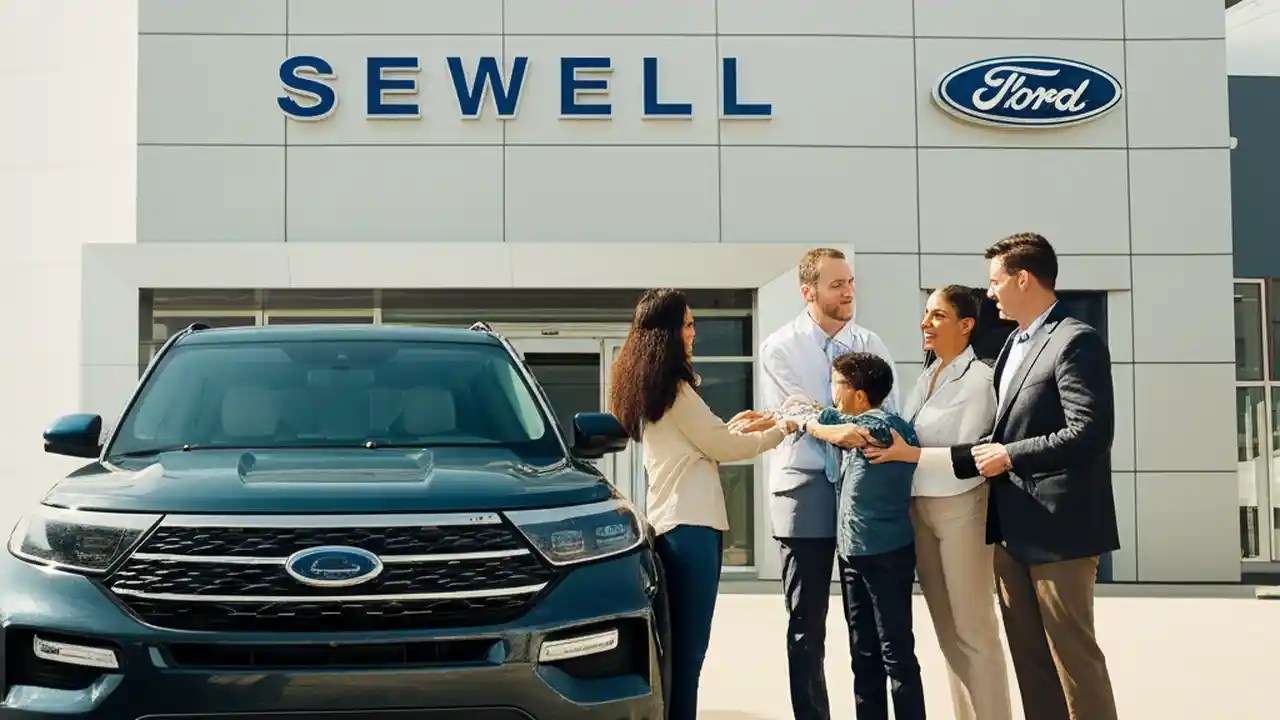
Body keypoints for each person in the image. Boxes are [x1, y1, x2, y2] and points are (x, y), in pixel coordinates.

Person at [608, 287, 797, 720]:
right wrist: (782, 429)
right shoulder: (675, 388)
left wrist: (742, 425)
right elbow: (720, 446)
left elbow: (702, 441)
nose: (695, 332)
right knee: (689, 654)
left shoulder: (654, 387)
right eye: (689, 324)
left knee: (676, 653)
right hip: (691, 528)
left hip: (672, 522)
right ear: (669, 332)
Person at [957, 233, 1120, 720]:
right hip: (1012, 532)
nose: (990, 294)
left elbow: (1090, 432)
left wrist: (1010, 455)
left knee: (1074, 660)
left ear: (1023, 278)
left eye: (995, 282)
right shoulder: (1013, 344)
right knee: (1030, 662)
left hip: (1060, 533)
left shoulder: (1075, 341)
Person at [745, 248, 899, 720]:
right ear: (807, 292)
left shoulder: (872, 343)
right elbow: (796, 413)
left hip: (860, 494)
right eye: (837, 285)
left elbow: (888, 416)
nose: (849, 292)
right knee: (806, 626)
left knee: (866, 626)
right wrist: (826, 420)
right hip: (804, 491)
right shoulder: (780, 347)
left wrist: (819, 417)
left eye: (851, 282)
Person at [863, 285, 1014, 720]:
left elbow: (968, 455)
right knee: (948, 633)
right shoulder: (927, 376)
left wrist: (907, 455)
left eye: (937, 316)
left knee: (974, 630)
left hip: (961, 510)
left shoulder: (981, 380)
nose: (925, 324)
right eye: (926, 315)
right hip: (921, 511)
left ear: (966, 325)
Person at [802, 352, 926, 720]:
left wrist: (810, 424)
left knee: (895, 654)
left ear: (859, 393)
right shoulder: (855, 421)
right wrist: (806, 416)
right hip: (854, 555)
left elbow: (847, 429)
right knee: (864, 654)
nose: (832, 392)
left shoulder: (883, 426)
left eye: (837, 384)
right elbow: (830, 416)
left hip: (885, 555)